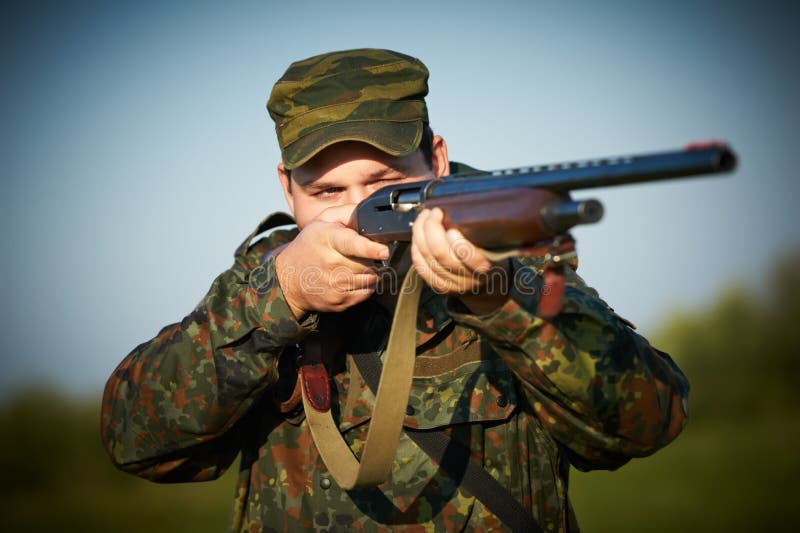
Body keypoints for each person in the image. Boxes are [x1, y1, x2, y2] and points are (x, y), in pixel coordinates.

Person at [101, 48, 689, 532]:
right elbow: (135, 441)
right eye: (328, 191)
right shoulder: (262, 280)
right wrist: (280, 299)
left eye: (385, 182)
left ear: (436, 159)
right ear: (287, 189)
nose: (356, 210)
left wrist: (497, 299)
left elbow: (644, 424)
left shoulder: (508, 267)